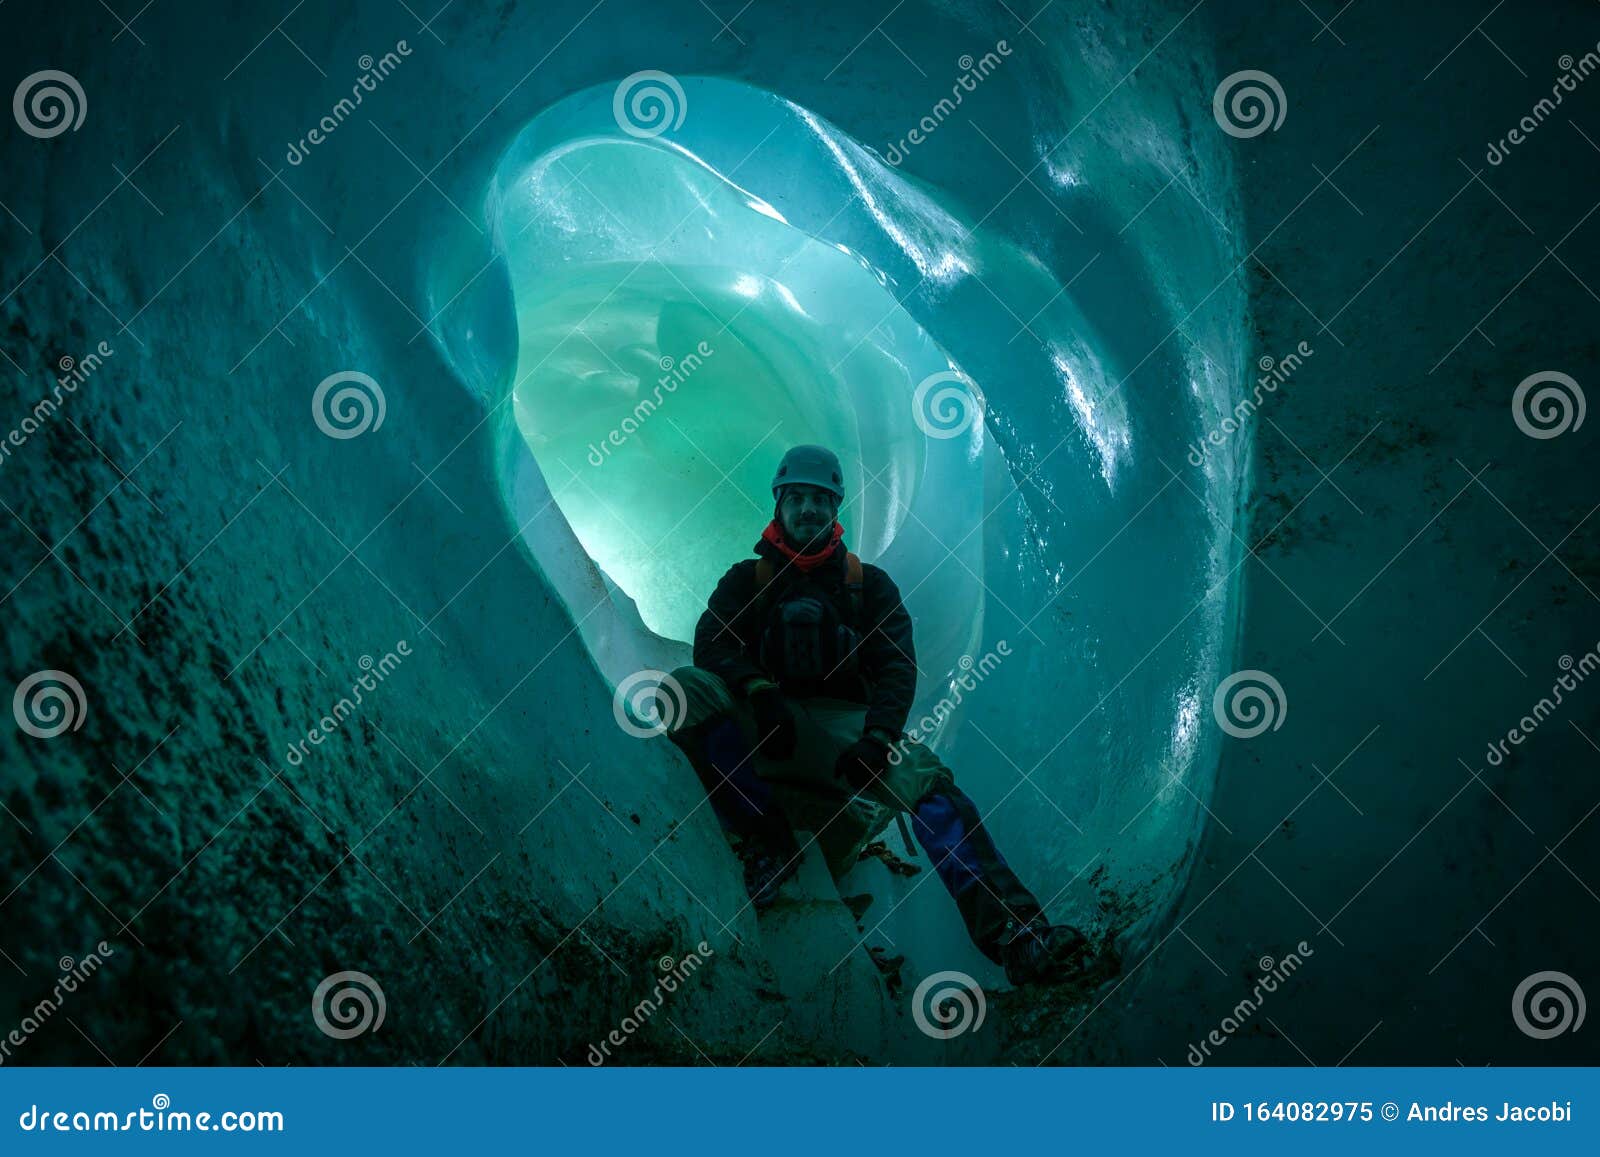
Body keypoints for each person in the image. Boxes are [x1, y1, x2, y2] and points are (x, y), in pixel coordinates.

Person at [664, 444, 1099, 986]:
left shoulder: (869, 586)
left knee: (927, 781)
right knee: (683, 690)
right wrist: (757, 690)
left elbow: (896, 667)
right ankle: (767, 840)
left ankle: (1018, 935)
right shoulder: (744, 581)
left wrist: (878, 736)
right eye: (797, 498)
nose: (808, 510)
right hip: (768, 720)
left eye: (820, 499)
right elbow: (711, 644)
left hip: (846, 729)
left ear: (836, 508)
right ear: (778, 505)